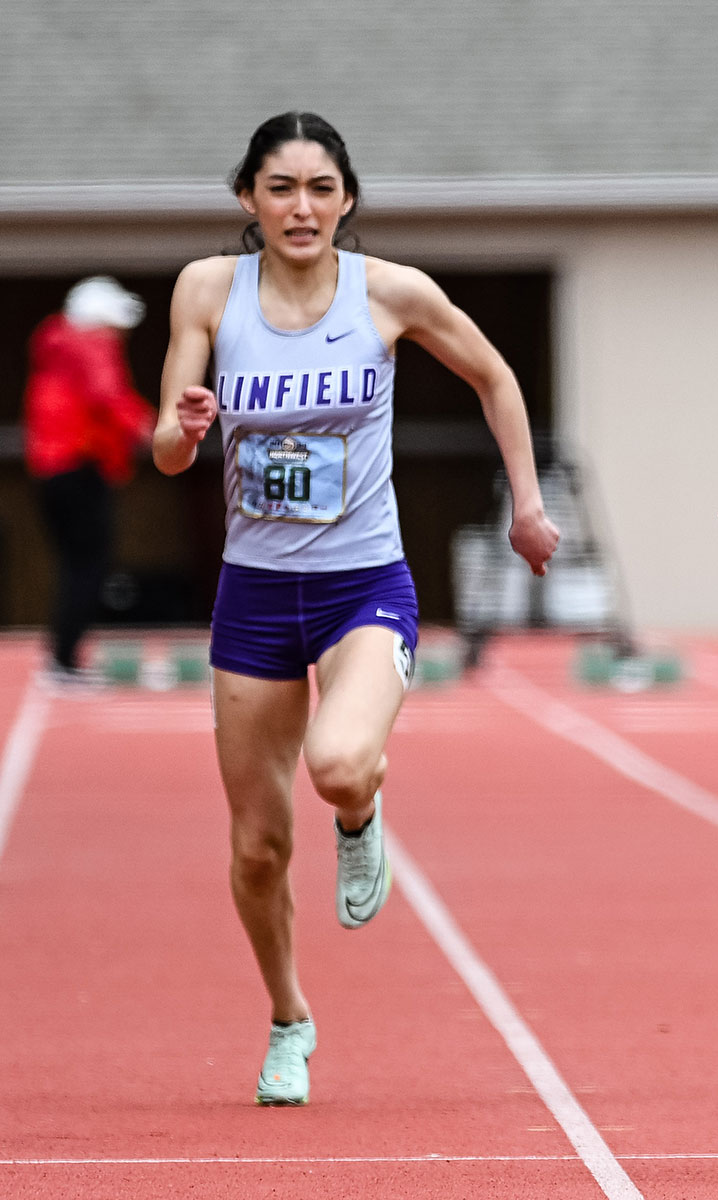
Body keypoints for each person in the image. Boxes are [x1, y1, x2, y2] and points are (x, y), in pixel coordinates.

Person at [153, 112, 559, 1106]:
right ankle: (290, 1018)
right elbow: (165, 444)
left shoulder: (389, 293)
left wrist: (530, 505)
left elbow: (495, 377)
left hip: (363, 583)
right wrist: (184, 427)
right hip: (253, 593)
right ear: (249, 198)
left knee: (338, 766)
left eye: (321, 189)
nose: (302, 208)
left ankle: (362, 809)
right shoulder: (210, 290)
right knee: (256, 844)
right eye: (282, 188)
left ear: (347, 200)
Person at [22, 276, 156, 679]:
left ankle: (64, 654)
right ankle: (64, 658)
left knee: (76, 564)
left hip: (52, 468)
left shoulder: (57, 343)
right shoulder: (91, 344)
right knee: (86, 565)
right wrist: (149, 428)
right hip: (78, 467)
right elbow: (107, 394)